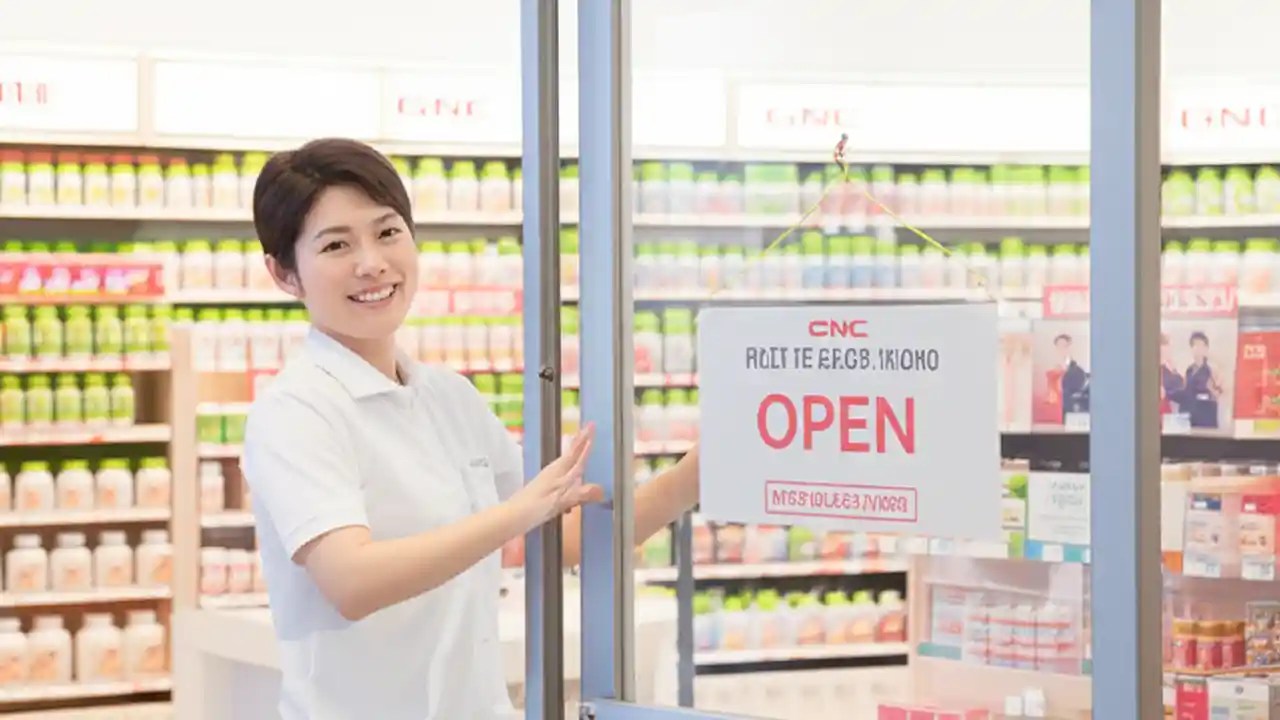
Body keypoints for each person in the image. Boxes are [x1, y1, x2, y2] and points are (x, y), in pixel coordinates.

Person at [240, 138, 701, 720]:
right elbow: (351, 580)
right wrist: (515, 515)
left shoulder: (448, 397)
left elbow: (564, 535)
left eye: (388, 232)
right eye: (336, 244)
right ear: (285, 274)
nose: (372, 263)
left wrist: (695, 476)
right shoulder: (297, 411)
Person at [1183, 330, 1224, 429]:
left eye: (1201, 346)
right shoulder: (1188, 370)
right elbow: (1185, 393)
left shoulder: (1212, 369)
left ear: (1206, 349)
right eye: (1194, 345)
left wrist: (1211, 389)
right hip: (1190, 417)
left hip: (1206, 417)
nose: (1197, 349)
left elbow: (1219, 393)